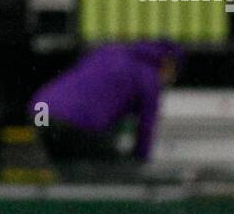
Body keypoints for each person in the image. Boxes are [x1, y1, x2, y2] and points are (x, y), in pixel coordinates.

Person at [27, 40, 183, 180]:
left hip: (41, 111)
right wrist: (138, 167)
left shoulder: (109, 51)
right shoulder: (149, 75)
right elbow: (145, 128)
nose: (172, 79)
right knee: (112, 173)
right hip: (72, 122)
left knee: (69, 171)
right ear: (167, 63)